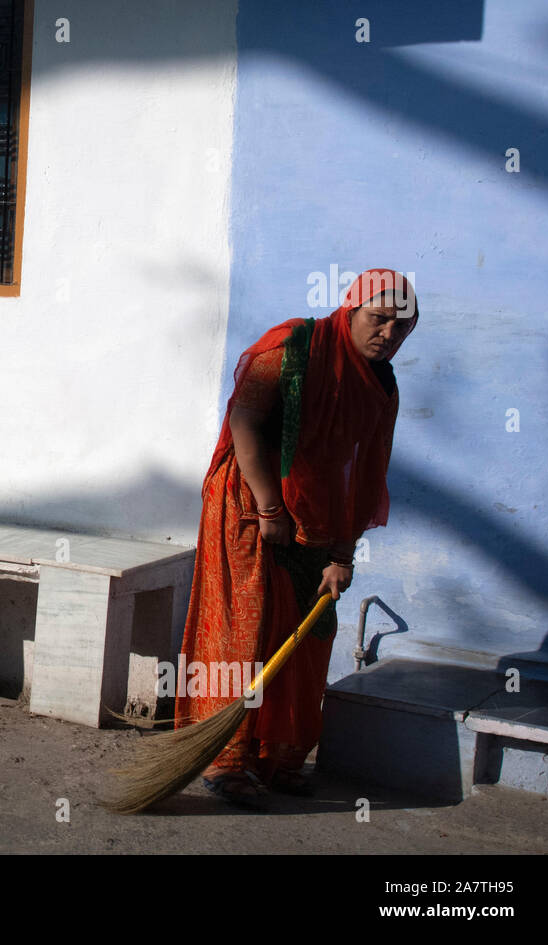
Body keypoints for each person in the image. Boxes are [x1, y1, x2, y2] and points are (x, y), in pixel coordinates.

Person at [174, 268, 419, 808]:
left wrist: (341, 553)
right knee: (247, 629)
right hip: (248, 503)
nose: (387, 335)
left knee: (309, 636)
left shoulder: (381, 384)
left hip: (318, 519)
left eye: (402, 329)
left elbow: (365, 469)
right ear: (350, 310)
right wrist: (269, 507)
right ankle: (227, 759)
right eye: (378, 320)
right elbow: (246, 422)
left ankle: (279, 757)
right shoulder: (293, 347)